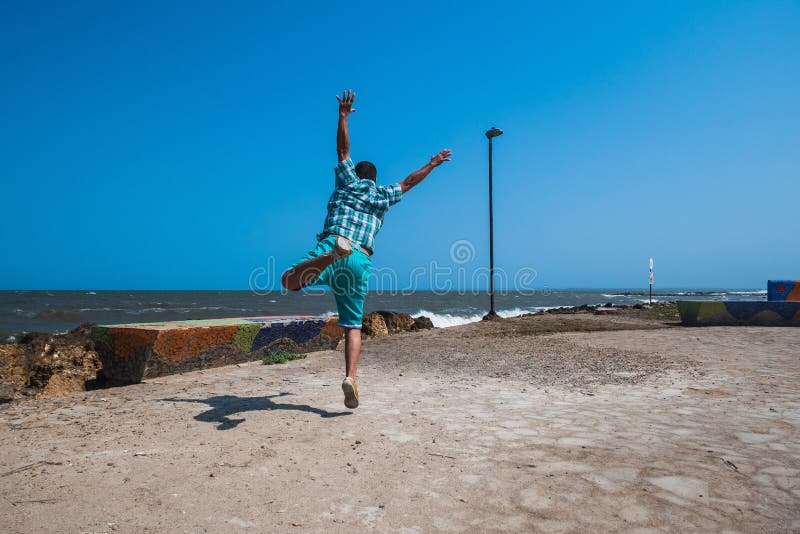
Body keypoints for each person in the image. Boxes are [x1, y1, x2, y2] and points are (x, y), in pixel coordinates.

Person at [281, 89, 451, 409]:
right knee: (352, 325)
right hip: (361, 258)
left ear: (358, 175)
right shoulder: (383, 196)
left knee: (289, 281)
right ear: (375, 179)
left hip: (335, 243)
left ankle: (329, 256)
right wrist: (432, 163)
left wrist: (343, 116)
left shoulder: (347, 182)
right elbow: (410, 181)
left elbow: (342, 149)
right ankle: (350, 378)